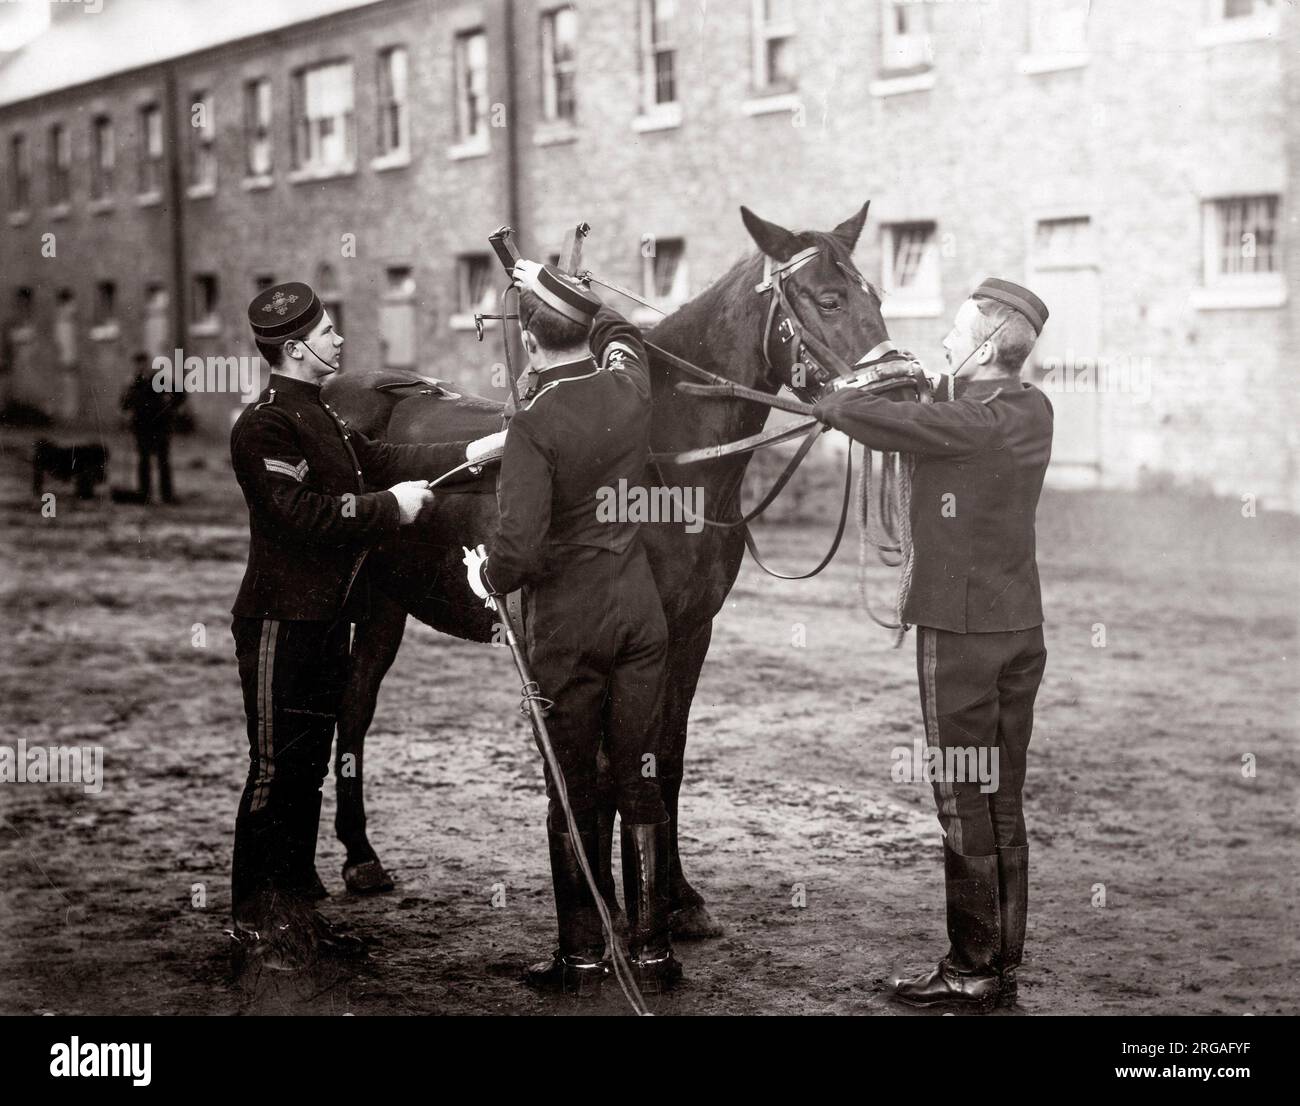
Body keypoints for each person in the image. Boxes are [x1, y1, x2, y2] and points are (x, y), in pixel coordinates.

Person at [229, 280, 502, 971]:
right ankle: (255, 926)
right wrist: (391, 510)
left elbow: (393, 463)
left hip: (326, 620)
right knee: (273, 773)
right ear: (293, 349)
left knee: (309, 771)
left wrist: (486, 448)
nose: (340, 340)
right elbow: (302, 515)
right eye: (326, 333)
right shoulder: (265, 425)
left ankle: (299, 916)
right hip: (279, 622)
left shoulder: (325, 418)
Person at [813, 278, 1053, 1011]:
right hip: (1020, 631)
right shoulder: (1029, 408)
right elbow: (948, 412)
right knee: (1001, 795)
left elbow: (854, 414)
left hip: (961, 635)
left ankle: (972, 968)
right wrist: (923, 382)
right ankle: (999, 962)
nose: (945, 339)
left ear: (985, 347)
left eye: (957, 330)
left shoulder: (965, 423)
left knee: (958, 797)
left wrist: (856, 387)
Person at [463, 260, 680, 995]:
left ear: (527, 340)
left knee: (573, 788)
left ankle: (584, 956)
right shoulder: (626, 389)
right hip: (641, 620)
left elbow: (519, 550)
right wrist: (555, 279)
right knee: (641, 777)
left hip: (572, 632)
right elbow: (624, 338)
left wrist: (482, 574)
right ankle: (652, 952)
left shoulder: (533, 423)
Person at [120, 351, 180, 503]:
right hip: (141, 427)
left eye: (143, 363)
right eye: (138, 364)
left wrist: (170, 408)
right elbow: (124, 404)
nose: (141, 367)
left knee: (163, 461)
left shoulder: (158, 379)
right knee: (143, 461)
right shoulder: (133, 383)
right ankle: (144, 495)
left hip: (160, 426)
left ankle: (167, 496)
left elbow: (179, 393)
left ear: (148, 364)